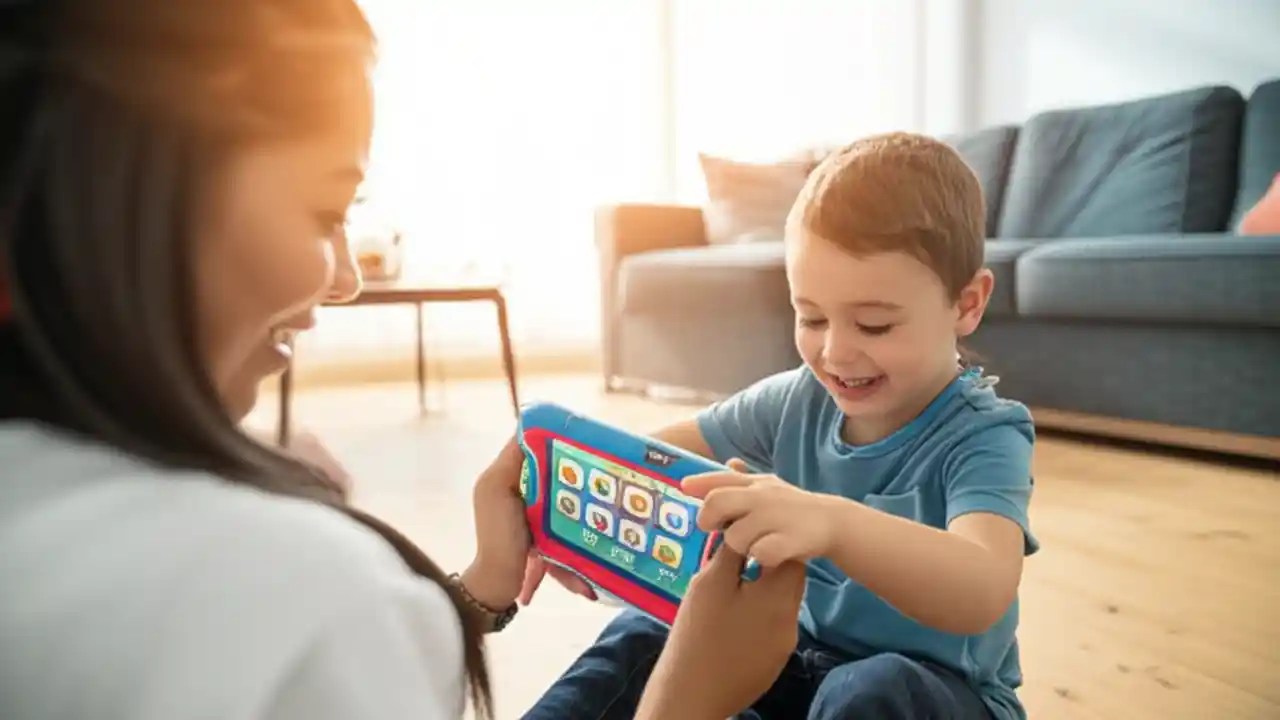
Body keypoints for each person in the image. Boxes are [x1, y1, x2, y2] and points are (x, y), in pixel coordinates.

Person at [0, 2, 807, 719]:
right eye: (325, 211)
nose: (348, 276)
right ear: (124, 190)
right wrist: (688, 699)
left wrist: (485, 585)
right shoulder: (309, 602)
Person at [524, 133, 1039, 720]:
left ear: (967, 303)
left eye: (874, 325)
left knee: (873, 688)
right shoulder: (796, 398)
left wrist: (833, 524)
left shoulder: (985, 435)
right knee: (648, 635)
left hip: (938, 695)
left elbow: (981, 589)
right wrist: (556, 508)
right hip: (800, 668)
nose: (835, 354)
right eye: (811, 316)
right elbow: (649, 458)